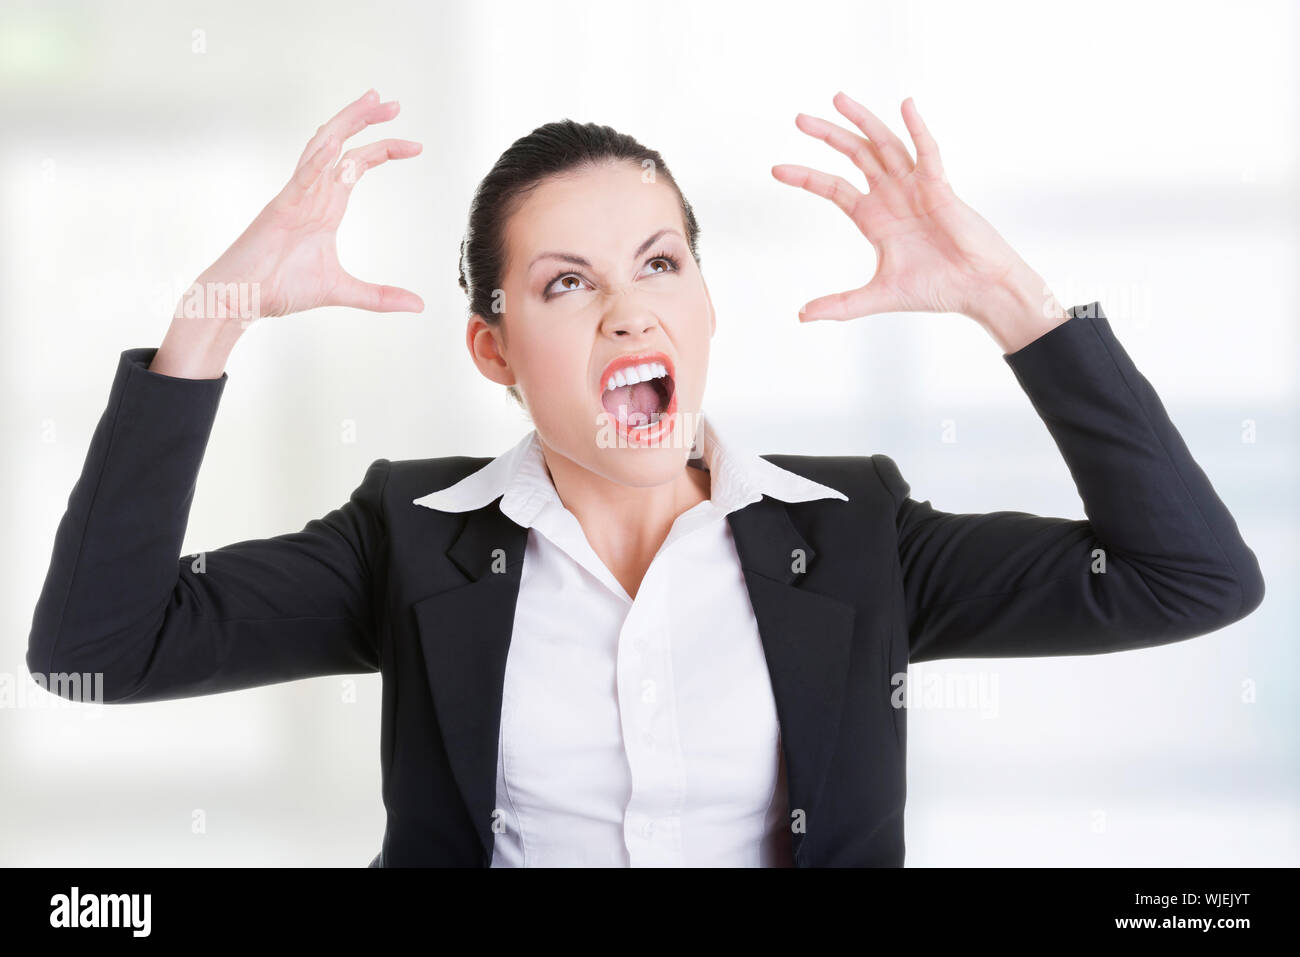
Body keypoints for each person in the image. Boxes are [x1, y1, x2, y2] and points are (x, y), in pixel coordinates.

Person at [27, 88, 1265, 867]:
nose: (629, 312)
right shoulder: (408, 540)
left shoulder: (858, 538)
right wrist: (210, 320)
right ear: (494, 350)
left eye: (661, 264)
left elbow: (1190, 579)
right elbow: (98, 648)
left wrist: (1011, 305)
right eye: (568, 283)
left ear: (706, 306)